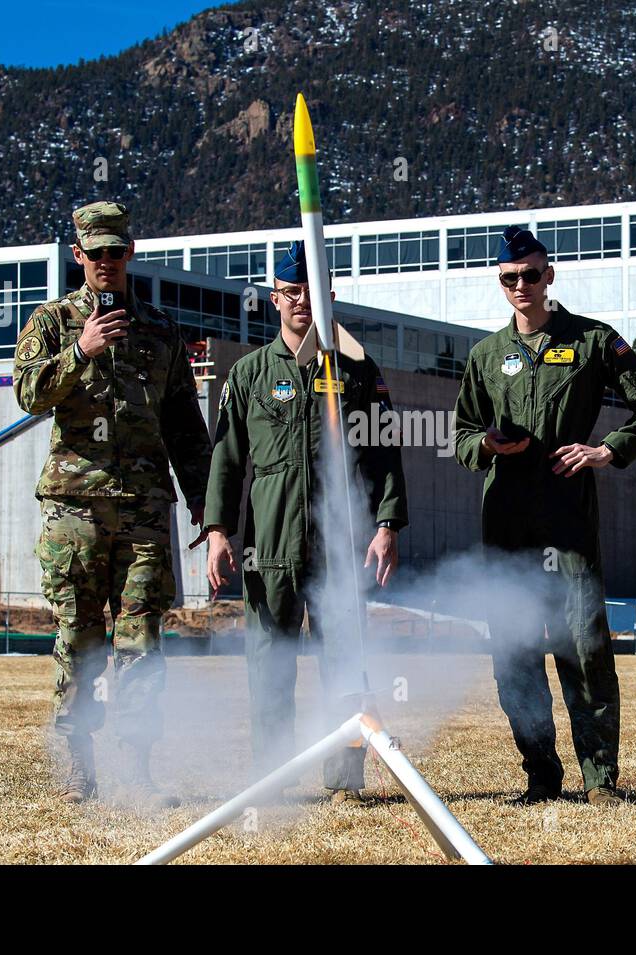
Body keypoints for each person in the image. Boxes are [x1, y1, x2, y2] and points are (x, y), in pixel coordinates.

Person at [450, 225, 636, 806]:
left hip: (568, 520)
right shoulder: (486, 356)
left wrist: (606, 450)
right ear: (500, 284)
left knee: (584, 645)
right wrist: (487, 447)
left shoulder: (594, 341)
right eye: (509, 279)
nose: (521, 286)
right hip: (506, 524)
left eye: (530, 274)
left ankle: (600, 780)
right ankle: (541, 775)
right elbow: (463, 436)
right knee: (515, 649)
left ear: (549, 275)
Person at [14, 200, 211, 807]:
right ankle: (78, 765)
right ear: (78, 256)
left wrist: (207, 501)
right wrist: (82, 351)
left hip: (145, 510)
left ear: (130, 253)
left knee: (142, 644)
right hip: (74, 511)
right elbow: (27, 392)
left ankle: (140, 774)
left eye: (115, 251)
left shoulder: (160, 330)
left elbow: (183, 421)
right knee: (80, 638)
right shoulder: (51, 323)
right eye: (94, 252)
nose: (105, 262)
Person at [203, 240, 408, 803]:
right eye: (291, 293)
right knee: (269, 668)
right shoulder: (247, 375)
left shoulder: (353, 372)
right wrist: (219, 532)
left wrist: (387, 522)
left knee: (345, 665)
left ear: (328, 298)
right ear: (274, 299)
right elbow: (226, 459)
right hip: (268, 547)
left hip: (337, 545)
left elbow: (384, 449)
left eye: (311, 293)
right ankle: (274, 778)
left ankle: (345, 783)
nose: (301, 303)